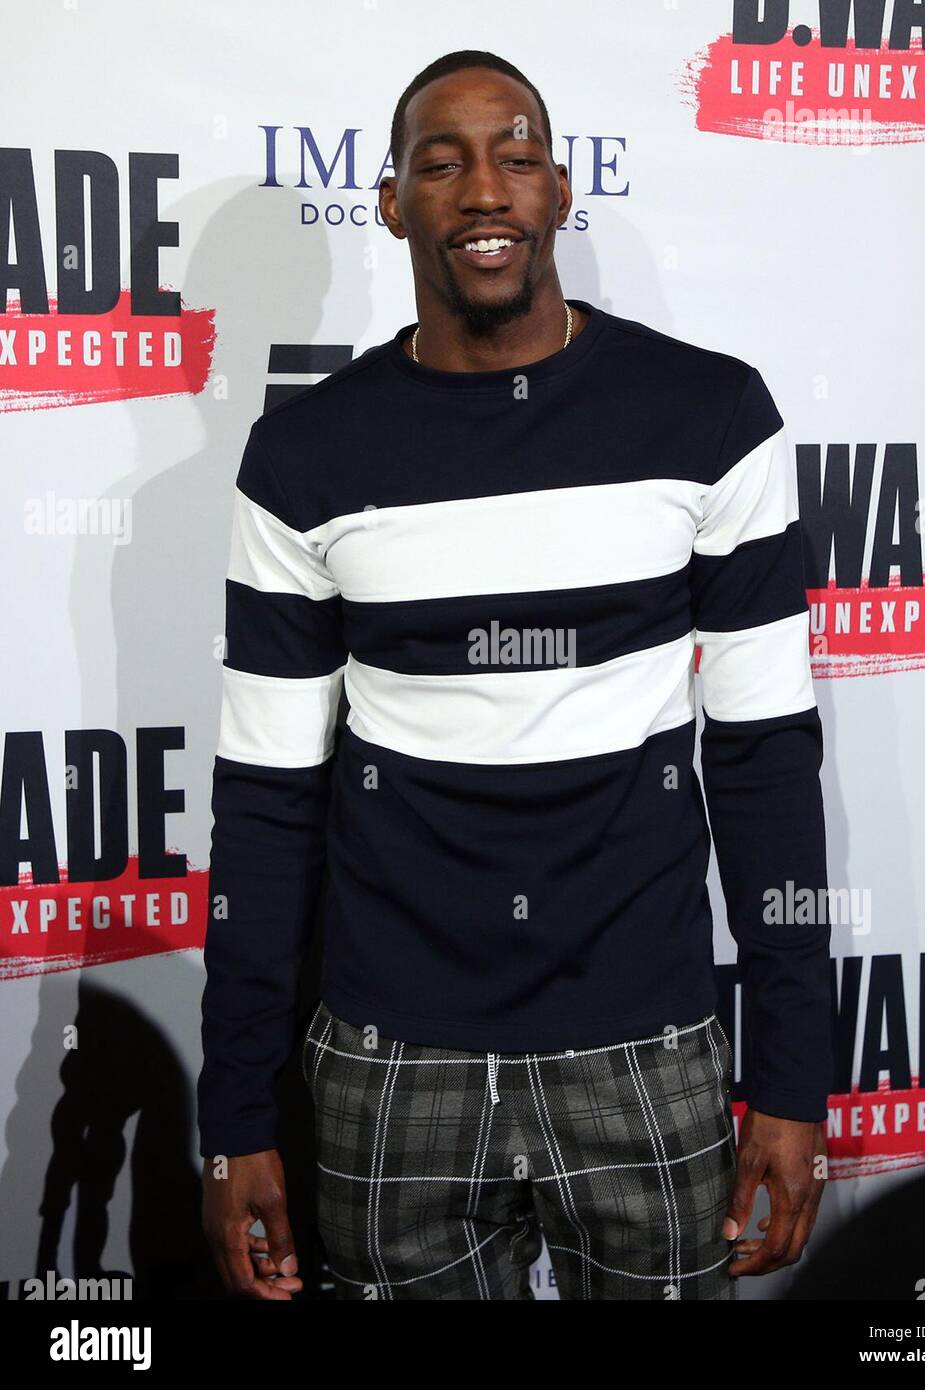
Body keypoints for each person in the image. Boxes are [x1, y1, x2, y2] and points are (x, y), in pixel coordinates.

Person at [198, 49, 833, 1301]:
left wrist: (797, 1074)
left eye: (518, 155)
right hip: (392, 1062)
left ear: (558, 196)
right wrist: (237, 1109)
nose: (484, 188)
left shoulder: (711, 418)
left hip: (649, 1049)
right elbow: (266, 797)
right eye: (442, 161)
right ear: (390, 203)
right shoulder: (305, 457)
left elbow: (766, 762)